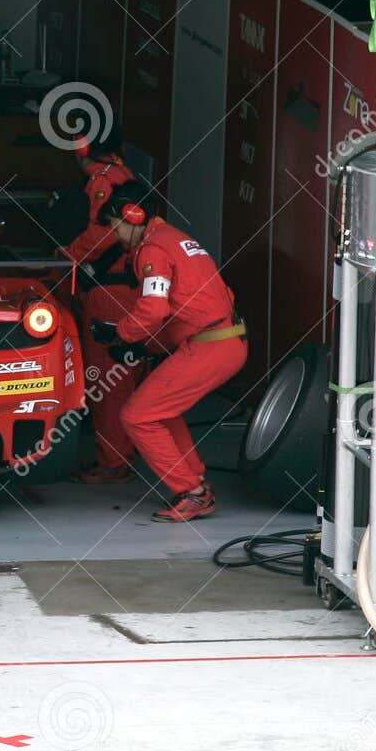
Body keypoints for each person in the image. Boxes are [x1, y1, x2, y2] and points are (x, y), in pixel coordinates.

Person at [90, 181, 248, 522]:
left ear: (133, 215)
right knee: (160, 409)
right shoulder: (173, 238)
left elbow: (153, 310)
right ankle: (195, 481)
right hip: (222, 340)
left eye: (116, 226)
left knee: (137, 415)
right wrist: (141, 346)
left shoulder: (153, 249)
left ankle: (192, 492)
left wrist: (119, 333)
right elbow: (185, 305)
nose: (115, 234)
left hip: (211, 345)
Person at [60, 128, 142, 483]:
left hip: (110, 293)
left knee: (107, 379)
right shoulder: (124, 173)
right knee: (120, 376)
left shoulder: (104, 179)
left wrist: (66, 256)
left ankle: (113, 462)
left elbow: (104, 233)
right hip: (121, 289)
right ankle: (121, 452)